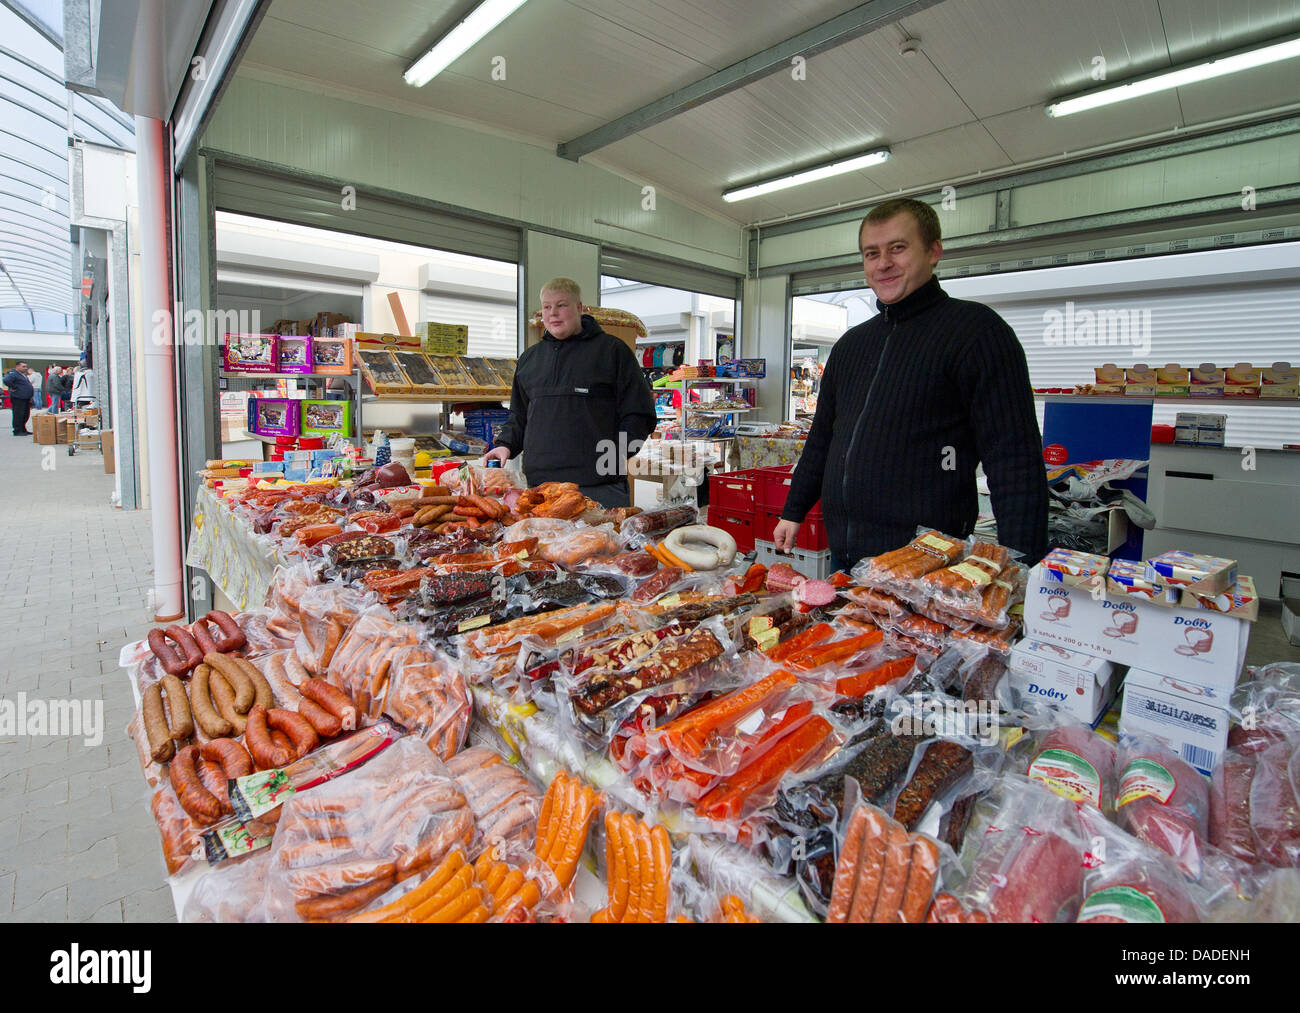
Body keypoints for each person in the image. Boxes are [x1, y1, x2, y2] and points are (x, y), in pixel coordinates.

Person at [773, 197, 1048, 571]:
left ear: (933, 251)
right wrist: (793, 510)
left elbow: (1013, 459)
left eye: (897, 248)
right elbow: (823, 438)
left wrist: (1023, 564)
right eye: (871, 253)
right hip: (847, 557)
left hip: (927, 563)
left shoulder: (977, 333)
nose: (883, 263)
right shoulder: (851, 346)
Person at [484, 278, 656, 508]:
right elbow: (519, 415)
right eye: (547, 307)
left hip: (600, 489)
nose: (553, 313)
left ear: (579, 308)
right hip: (540, 489)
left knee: (605, 545)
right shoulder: (530, 359)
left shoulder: (612, 351)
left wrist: (614, 458)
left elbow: (640, 414)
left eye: (561, 305)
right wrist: (505, 445)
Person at [3, 361, 34, 435]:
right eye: (23, 366)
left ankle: (23, 429)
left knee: (25, 414)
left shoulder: (22, 375)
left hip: (25, 397)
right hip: (18, 397)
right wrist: (14, 387)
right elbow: (6, 380)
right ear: (17, 367)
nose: (25, 368)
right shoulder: (13, 374)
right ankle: (17, 430)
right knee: (18, 414)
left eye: (26, 366)